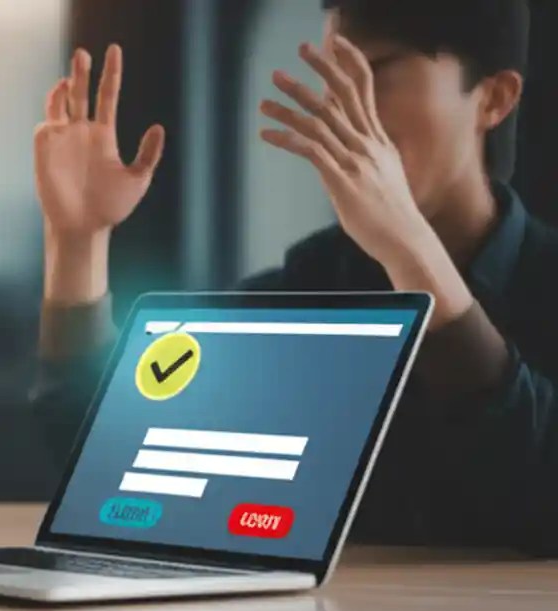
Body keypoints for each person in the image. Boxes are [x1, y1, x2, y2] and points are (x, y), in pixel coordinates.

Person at [31, 0, 558, 555]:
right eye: (334, 80)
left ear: (494, 99)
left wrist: (412, 252)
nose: (343, 113)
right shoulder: (312, 283)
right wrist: (78, 239)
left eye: (374, 76)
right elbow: (110, 456)